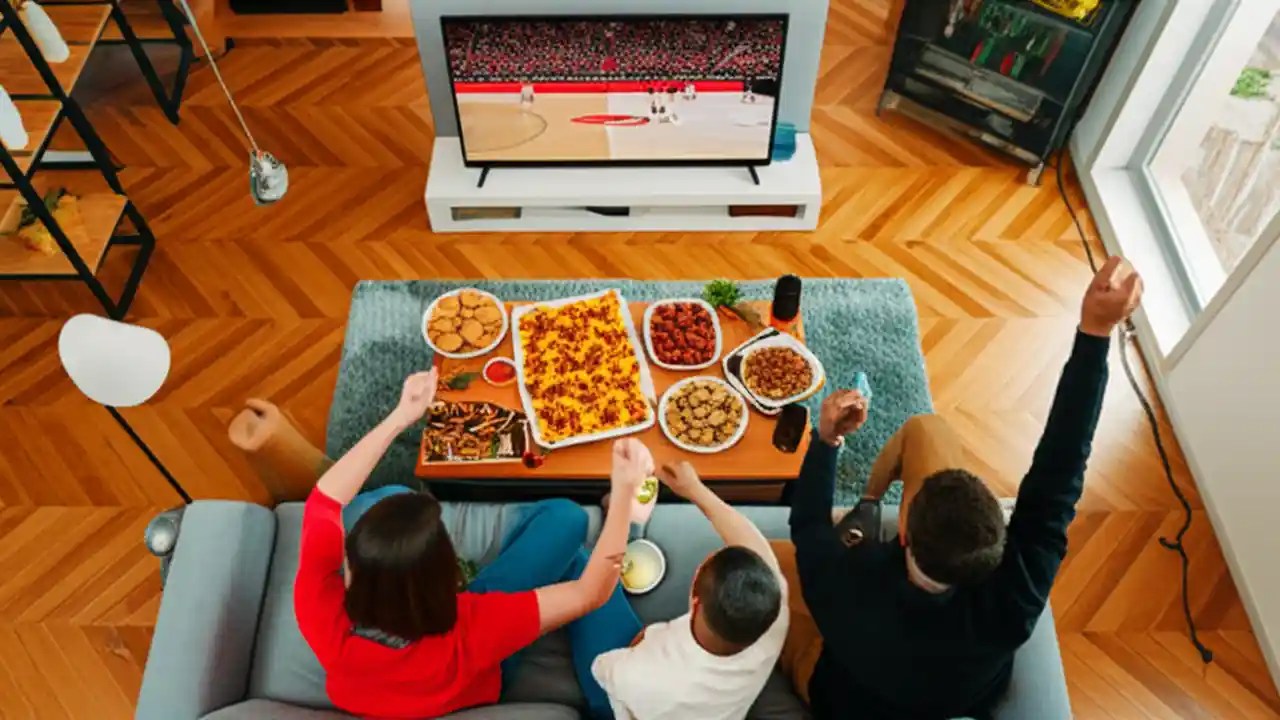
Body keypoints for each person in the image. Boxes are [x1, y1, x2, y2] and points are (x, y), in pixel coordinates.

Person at [779, 257, 1144, 719]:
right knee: (928, 430)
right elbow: (1060, 474)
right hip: (956, 694)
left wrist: (827, 437)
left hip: (844, 698)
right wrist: (1095, 333)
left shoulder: (848, 585)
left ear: (905, 529)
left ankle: (846, 535)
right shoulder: (1016, 597)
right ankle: (866, 507)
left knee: (760, 580)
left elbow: (808, 525)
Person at [294, 367, 652, 719]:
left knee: (391, 496)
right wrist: (623, 497)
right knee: (570, 526)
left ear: (353, 571)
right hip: (480, 686)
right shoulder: (476, 624)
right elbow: (590, 593)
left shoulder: (318, 606)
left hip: (380, 697)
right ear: (449, 575)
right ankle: (607, 701)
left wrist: (401, 418)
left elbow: (325, 499)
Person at [591, 461, 788, 720]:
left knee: (584, 565)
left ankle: (623, 522)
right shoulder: (773, 611)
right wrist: (693, 489)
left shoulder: (642, 677)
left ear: (695, 602)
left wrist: (640, 643)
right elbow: (749, 538)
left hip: (626, 700)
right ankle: (629, 523)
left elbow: (601, 668)